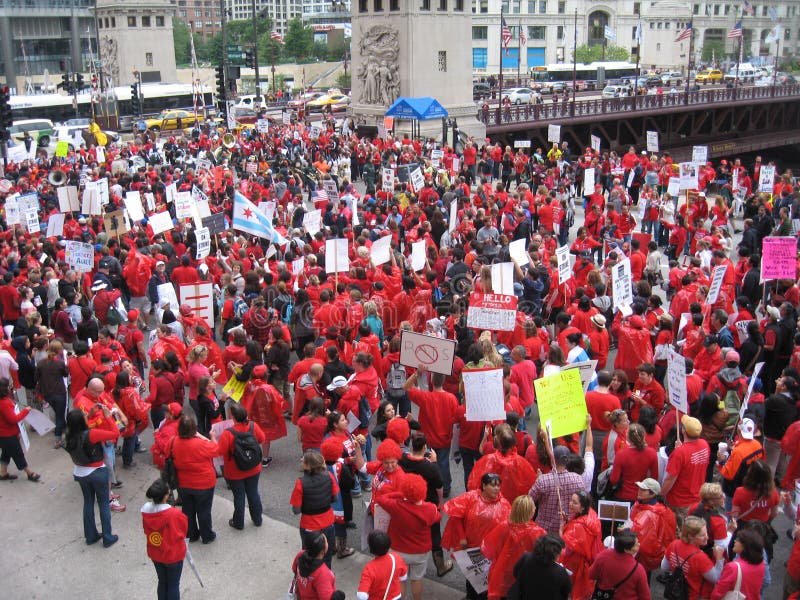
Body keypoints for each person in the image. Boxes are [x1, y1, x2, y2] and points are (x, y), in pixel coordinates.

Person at [442, 472, 512, 600]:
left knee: (488, 578)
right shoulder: (470, 497)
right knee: (471, 576)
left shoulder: (505, 505)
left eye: (498, 485)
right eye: (493, 485)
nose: (497, 488)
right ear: (484, 486)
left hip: (491, 553)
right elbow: (456, 516)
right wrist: (462, 537)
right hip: (471, 547)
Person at [375, 473, 441, 600]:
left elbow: (381, 499)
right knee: (417, 579)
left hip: (398, 550)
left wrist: (400, 494)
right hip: (420, 552)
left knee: (401, 579)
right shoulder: (429, 509)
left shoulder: (396, 506)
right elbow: (438, 517)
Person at [64, 408, 120, 547]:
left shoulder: (69, 435)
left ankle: (91, 536)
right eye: (84, 415)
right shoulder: (91, 434)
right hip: (97, 472)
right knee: (103, 504)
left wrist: (87, 416)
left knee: (88, 502)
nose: (86, 416)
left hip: (80, 472)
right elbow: (115, 433)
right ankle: (107, 537)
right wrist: (108, 417)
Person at [481, 495, 546, 600]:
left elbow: (488, 548)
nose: (535, 509)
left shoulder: (503, 526)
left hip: (502, 573)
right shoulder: (537, 532)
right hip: (526, 576)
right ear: (530, 512)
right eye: (533, 508)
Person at [217, 402, 266, 530]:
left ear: (233, 417)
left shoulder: (228, 433)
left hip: (235, 472)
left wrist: (212, 438)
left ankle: (238, 522)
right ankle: (257, 519)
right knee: (253, 493)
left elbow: (219, 451)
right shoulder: (253, 426)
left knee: (239, 496)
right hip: (253, 467)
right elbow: (262, 439)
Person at [171, 414, 219, 544]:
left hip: (183, 483)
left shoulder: (173, 442)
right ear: (194, 429)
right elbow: (217, 450)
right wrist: (211, 437)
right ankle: (207, 536)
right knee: (204, 511)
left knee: (187, 510)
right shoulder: (201, 444)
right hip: (204, 483)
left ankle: (191, 534)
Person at [290, 450, 339, 568]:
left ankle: (311, 580)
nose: (301, 460)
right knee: (327, 556)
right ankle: (326, 577)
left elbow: (296, 510)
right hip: (328, 523)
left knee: (310, 555)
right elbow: (335, 498)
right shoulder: (329, 476)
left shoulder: (300, 483)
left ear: (308, 466)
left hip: (310, 526)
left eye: (303, 460)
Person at [141, 478, 188, 600]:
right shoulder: (174, 514)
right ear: (166, 496)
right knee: (173, 584)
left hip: (155, 552)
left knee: (162, 581)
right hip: (172, 555)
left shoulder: (146, 511)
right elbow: (182, 531)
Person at [661, 516, 726, 600]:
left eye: (706, 533)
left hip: (677, 591)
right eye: (702, 535)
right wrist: (719, 559)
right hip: (696, 595)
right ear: (690, 536)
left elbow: (664, 567)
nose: (707, 537)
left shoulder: (674, 544)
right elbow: (715, 578)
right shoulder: (700, 557)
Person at [662, 415, 710, 525]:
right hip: (697, 498)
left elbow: (670, 478)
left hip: (679, 501)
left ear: (683, 430)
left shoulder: (679, 453)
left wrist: (661, 494)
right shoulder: (704, 444)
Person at [627, 478, 676, 577]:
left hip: (644, 556)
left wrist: (626, 531)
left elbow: (643, 541)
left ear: (652, 494)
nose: (639, 491)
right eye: (639, 488)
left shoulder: (649, 515)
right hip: (652, 554)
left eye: (643, 490)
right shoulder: (657, 508)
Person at [559, 490, 603, 600]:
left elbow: (564, 544)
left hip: (575, 563)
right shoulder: (591, 514)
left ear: (582, 507)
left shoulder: (578, 527)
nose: (570, 504)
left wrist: (561, 527)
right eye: (571, 500)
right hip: (586, 560)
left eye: (574, 502)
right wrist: (568, 521)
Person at [588, 530, 650, 600]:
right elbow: (645, 596)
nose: (639, 544)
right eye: (636, 544)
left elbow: (591, 574)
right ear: (626, 550)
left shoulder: (602, 556)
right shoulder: (639, 569)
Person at [0, 377, 39, 481]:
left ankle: (3, 473)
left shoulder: (4, 401)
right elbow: (13, 419)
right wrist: (25, 411)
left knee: (6, 454)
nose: (10, 387)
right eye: (8, 386)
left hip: (5, 434)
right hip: (8, 435)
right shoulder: (4, 403)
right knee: (18, 454)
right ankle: (29, 473)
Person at [510, 535, 572, 600]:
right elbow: (566, 590)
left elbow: (515, 573)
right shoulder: (560, 571)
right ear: (555, 553)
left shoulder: (526, 557)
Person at [710, 528, 766, 600]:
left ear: (744, 546)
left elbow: (718, 593)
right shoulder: (761, 563)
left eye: (738, 540)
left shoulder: (733, 567)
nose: (735, 541)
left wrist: (719, 560)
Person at [609, 422, 658, 502]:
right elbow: (654, 478)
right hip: (643, 496)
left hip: (623, 496)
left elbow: (614, 479)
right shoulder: (652, 453)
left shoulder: (621, 454)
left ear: (628, 437)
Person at [290, 530, 346, 600]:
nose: (327, 543)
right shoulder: (322, 574)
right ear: (322, 551)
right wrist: (338, 596)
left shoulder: (300, 555)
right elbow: (327, 598)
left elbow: (294, 569)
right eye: (326, 542)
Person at [357, 530, 409, 600]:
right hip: (396, 597)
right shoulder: (396, 558)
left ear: (371, 548)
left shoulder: (369, 568)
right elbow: (403, 577)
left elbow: (362, 595)